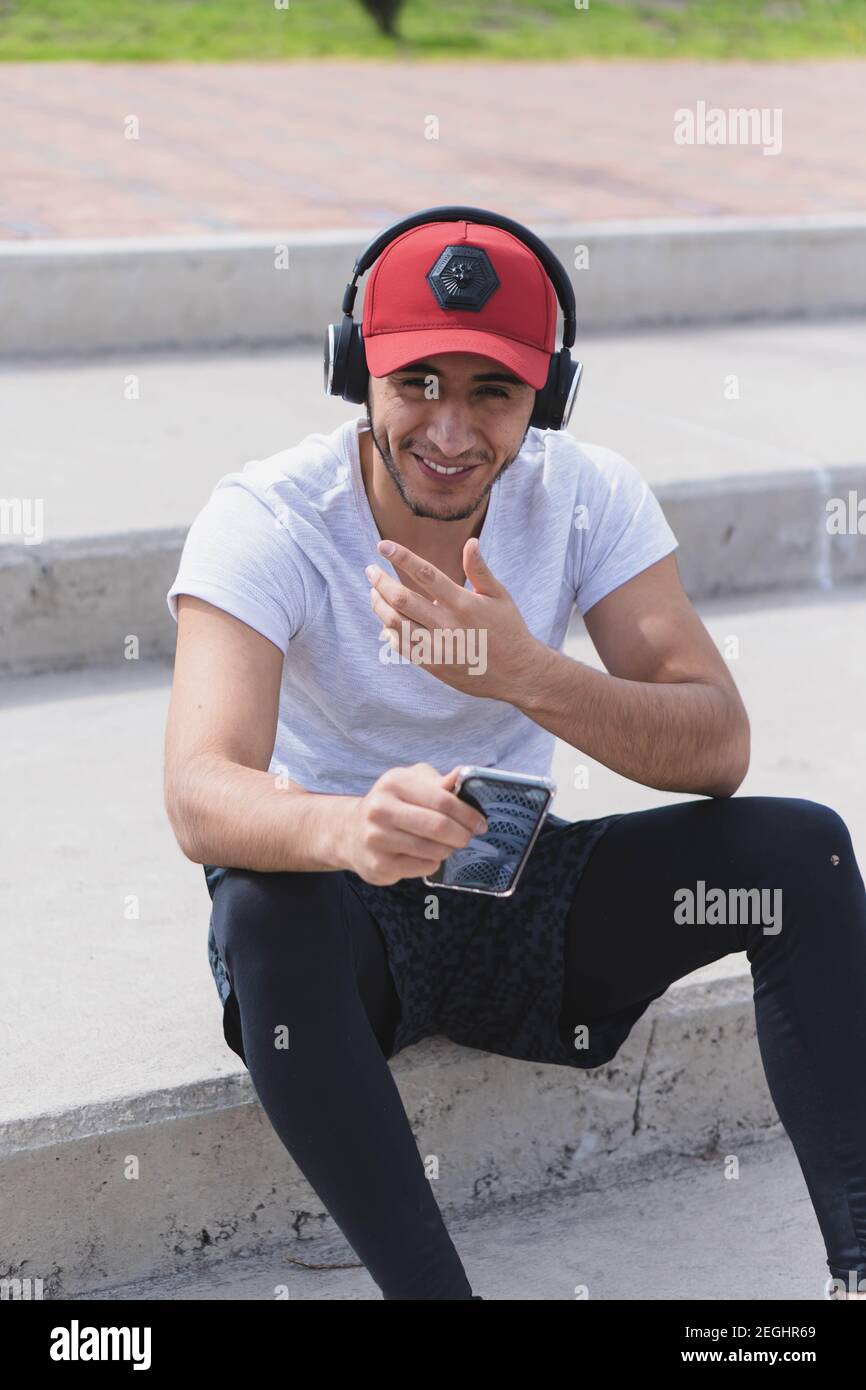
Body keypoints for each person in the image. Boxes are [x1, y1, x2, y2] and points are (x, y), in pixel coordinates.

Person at [163, 210, 866, 1301]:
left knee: (799, 853)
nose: (449, 428)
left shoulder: (584, 493)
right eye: (418, 383)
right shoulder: (266, 517)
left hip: (517, 892)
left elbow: (716, 742)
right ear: (357, 371)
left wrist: (522, 674)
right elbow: (200, 791)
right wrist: (347, 827)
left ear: (547, 394)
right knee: (257, 904)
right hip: (339, 922)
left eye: (490, 390)